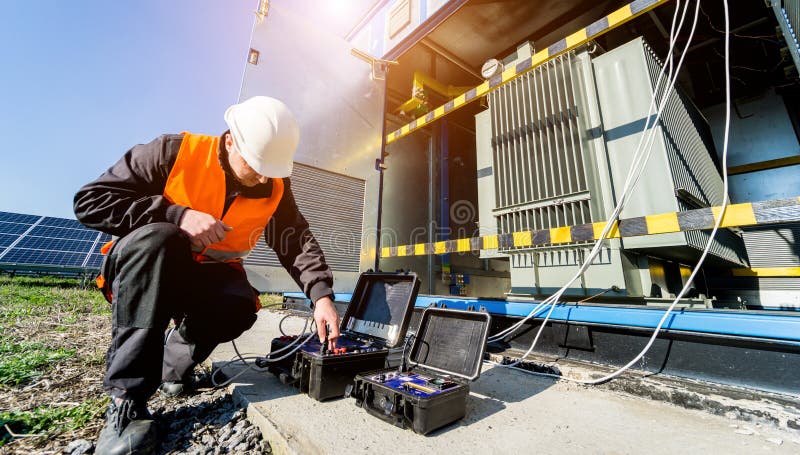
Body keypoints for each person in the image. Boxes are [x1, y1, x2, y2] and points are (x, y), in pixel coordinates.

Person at [74, 96, 341, 455]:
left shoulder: (275, 186)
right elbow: (91, 201)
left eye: (272, 169)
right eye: (257, 164)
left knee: (239, 303)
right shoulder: (172, 152)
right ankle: (126, 400)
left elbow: (294, 240)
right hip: (145, 272)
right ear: (230, 141)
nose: (264, 176)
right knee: (160, 238)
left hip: (202, 282)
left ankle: (173, 368)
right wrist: (175, 215)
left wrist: (321, 296)